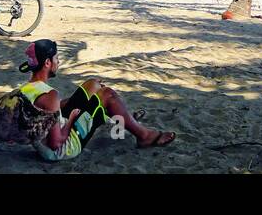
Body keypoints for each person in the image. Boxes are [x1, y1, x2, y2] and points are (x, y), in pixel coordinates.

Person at [17, 38, 175, 161]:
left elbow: (49, 109)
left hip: (52, 132)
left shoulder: (27, 89)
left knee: (93, 85)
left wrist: (73, 104)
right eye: (56, 59)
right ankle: (144, 136)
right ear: (47, 63)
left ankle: (121, 123)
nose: (58, 62)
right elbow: (56, 143)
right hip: (64, 149)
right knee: (107, 95)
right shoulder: (50, 96)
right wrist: (72, 119)